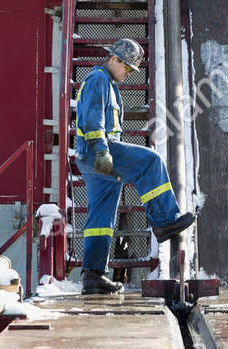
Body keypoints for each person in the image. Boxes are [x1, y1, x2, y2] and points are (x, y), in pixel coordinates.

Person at [74, 37, 196, 295]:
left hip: (91, 156)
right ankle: (163, 220)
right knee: (151, 161)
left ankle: (92, 276)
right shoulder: (99, 80)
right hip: (99, 151)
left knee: (101, 218)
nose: (127, 73)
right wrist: (102, 150)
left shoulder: (105, 81)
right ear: (114, 59)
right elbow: (93, 118)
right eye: (126, 67)